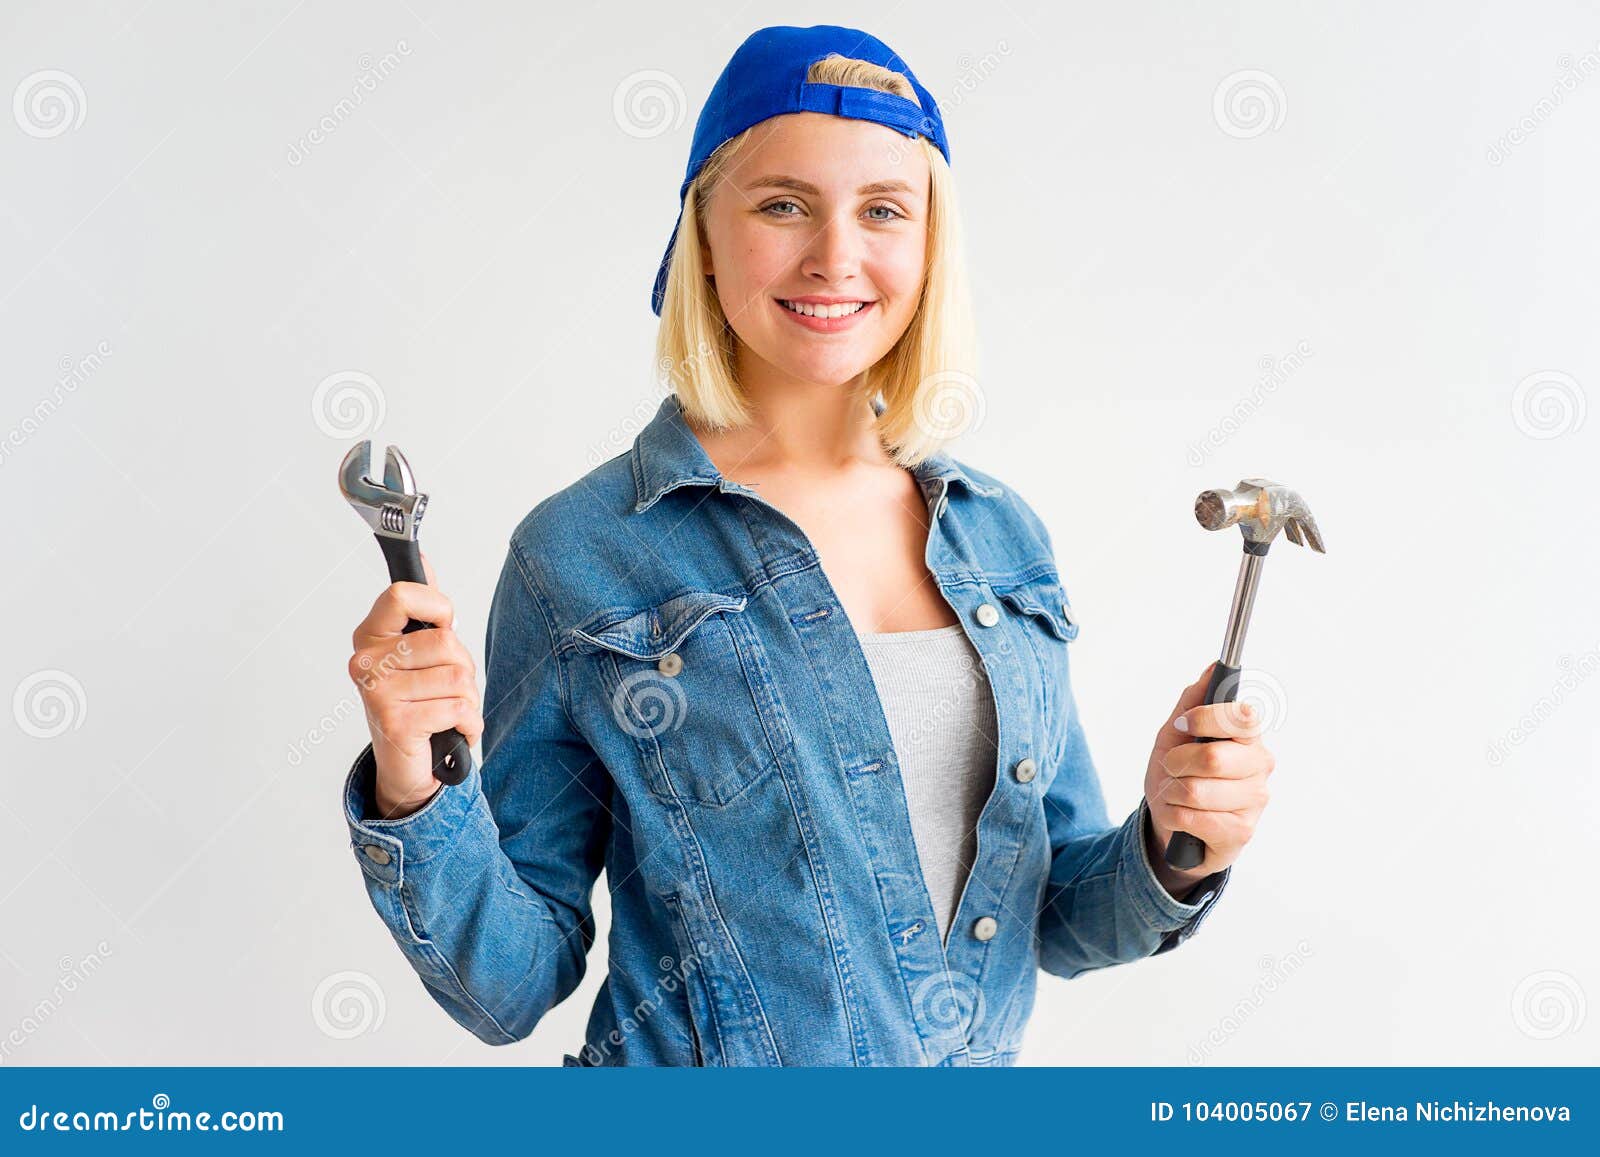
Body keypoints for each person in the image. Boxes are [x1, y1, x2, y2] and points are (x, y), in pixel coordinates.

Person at [341, 24, 1273, 1067]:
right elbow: (507, 985)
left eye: (883, 210)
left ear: (928, 246)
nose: (835, 255)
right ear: (701, 235)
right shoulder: (586, 552)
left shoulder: (999, 534)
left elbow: (1050, 916)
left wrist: (1173, 844)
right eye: (782, 204)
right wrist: (413, 788)